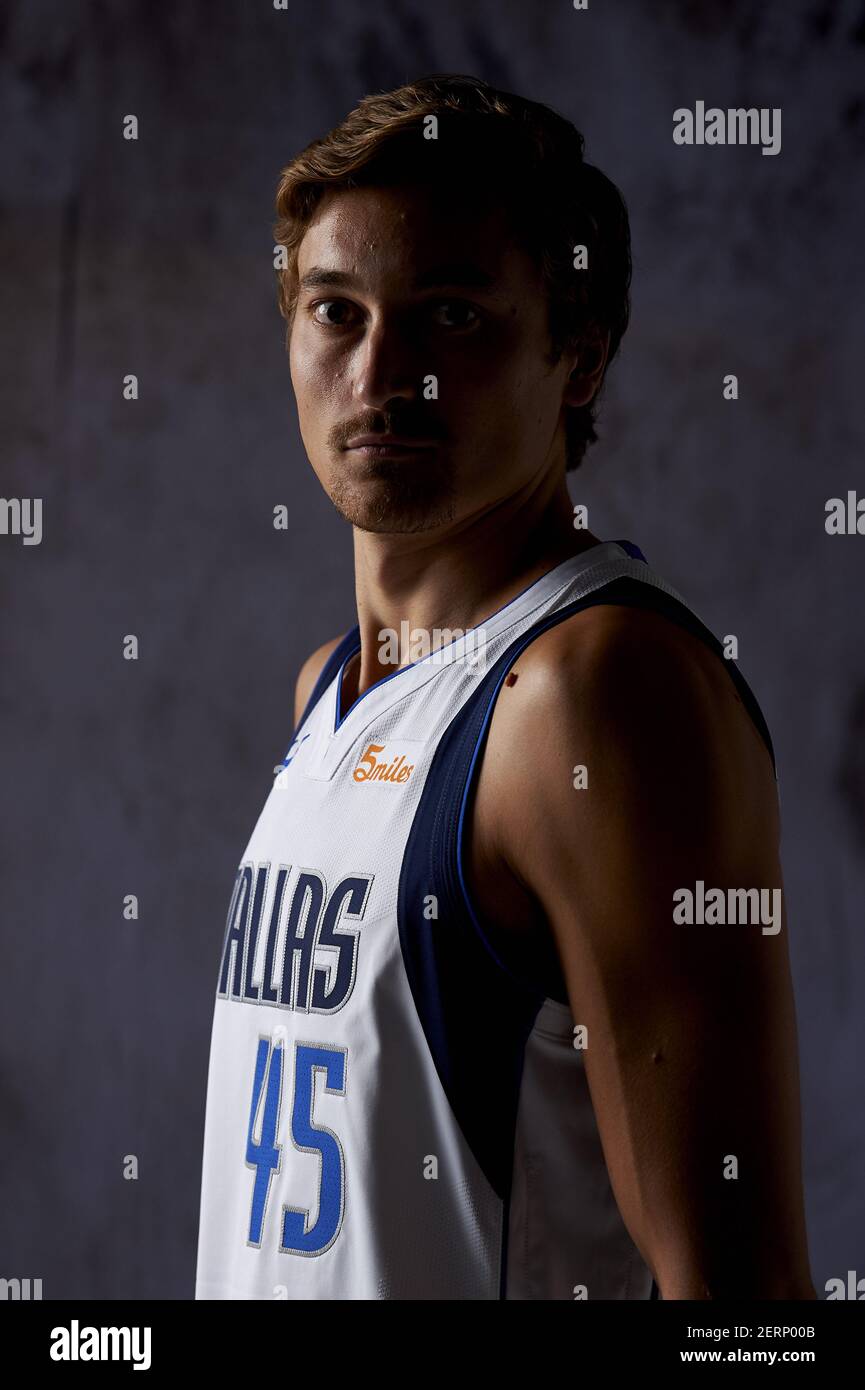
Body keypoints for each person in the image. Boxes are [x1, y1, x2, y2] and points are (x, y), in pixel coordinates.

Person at [195, 74, 815, 1300]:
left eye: (453, 317)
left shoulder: (596, 694)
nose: (383, 374)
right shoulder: (330, 692)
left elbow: (743, 1300)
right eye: (336, 311)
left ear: (575, 360)